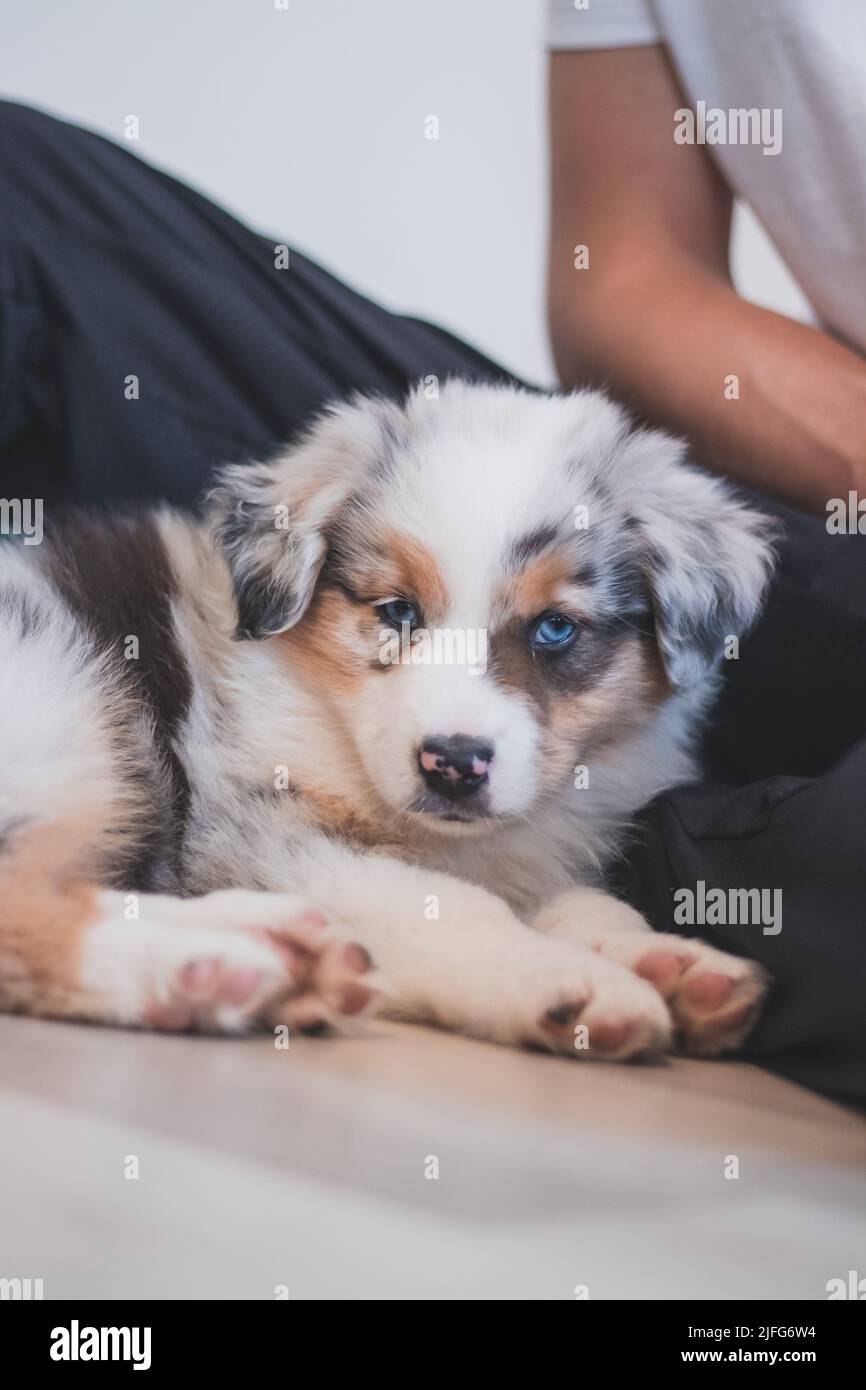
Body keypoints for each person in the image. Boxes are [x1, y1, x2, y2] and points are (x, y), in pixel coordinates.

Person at [0, 18, 863, 1103]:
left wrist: (573, 919)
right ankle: (58, 940)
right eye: (394, 614)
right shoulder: (279, 681)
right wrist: (482, 952)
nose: (459, 726)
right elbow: (626, 271)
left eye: (553, 635)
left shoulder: (662, 587)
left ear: (673, 624)